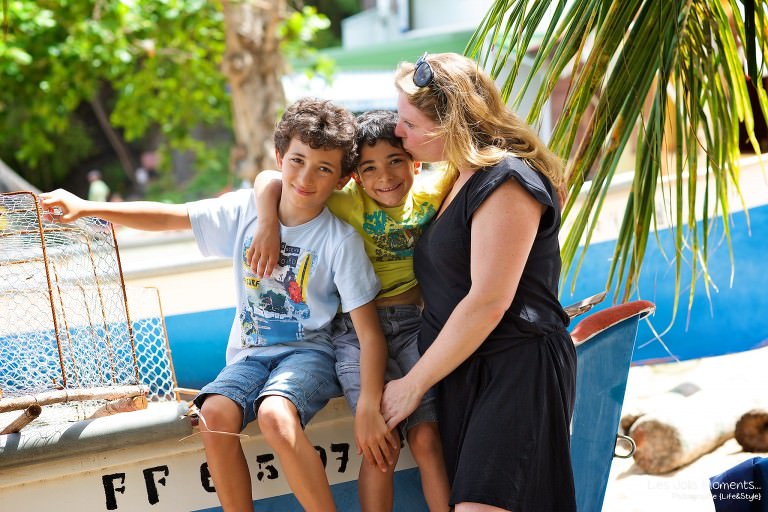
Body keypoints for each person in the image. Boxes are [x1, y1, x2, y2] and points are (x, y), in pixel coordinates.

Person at [40, 97, 396, 512]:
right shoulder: (246, 211)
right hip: (250, 355)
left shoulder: (339, 240)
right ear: (279, 157)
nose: (305, 177)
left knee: (275, 416)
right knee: (213, 417)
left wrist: (368, 402)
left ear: (341, 180)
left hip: (309, 354)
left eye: (323, 169)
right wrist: (88, 208)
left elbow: (369, 334)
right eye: (297, 161)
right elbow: (171, 216)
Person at [380, 52, 578, 512]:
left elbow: (489, 300)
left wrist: (412, 384)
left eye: (409, 123)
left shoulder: (507, 180)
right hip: (467, 371)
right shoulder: (458, 179)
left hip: (515, 369)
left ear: (449, 125)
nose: (398, 132)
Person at [248, 110, 452, 511]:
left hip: (414, 327)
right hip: (357, 331)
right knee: (380, 445)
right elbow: (269, 178)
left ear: (415, 163)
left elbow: (474, 161)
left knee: (428, 439)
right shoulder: (345, 203)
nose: (384, 177)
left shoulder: (432, 191)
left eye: (395, 161)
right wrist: (266, 222)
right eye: (369, 168)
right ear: (355, 177)